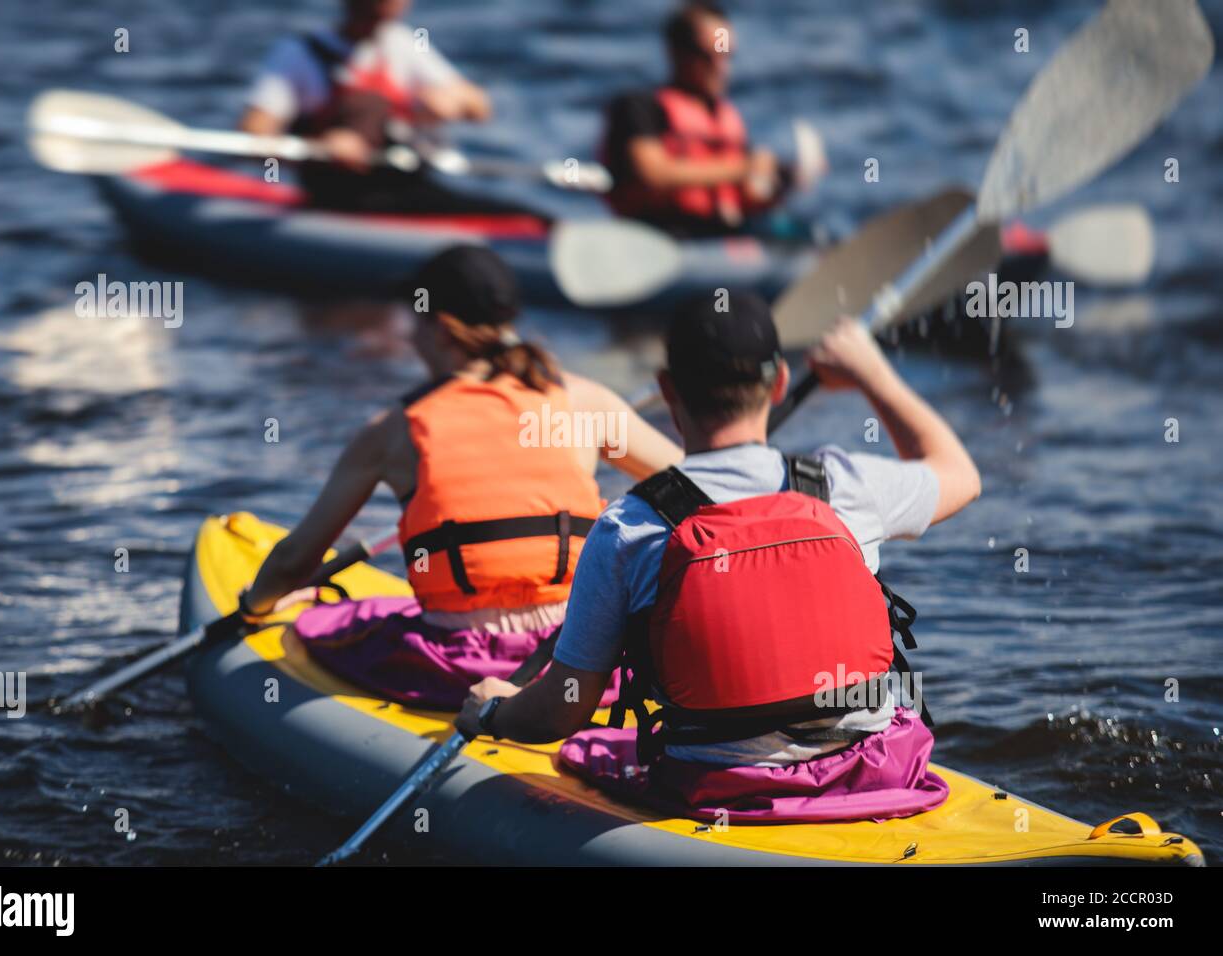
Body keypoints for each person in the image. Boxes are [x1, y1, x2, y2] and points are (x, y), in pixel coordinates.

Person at [457, 292, 980, 822]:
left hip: (717, 789)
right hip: (869, 770)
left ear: (667, 390)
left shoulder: (628, 526)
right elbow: (960, 474)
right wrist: (874, 375)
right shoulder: (844, 484)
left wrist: (494, 711)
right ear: (778, 384)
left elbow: (559, 712)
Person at [238, 246, 682, 709]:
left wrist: (254, 607)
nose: (411, 339)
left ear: (443, 329)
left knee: (323, 625)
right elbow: (701, 488)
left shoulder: (394, 430)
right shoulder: (584, 401)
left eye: (417, 323)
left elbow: (294, 560)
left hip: (456, 665)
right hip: (580, 660)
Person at [240, 0, 538, 217]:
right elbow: (254, 135)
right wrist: (319, 147)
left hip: (406, 188)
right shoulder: (298, 54)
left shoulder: (402, 43)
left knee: (522, 215)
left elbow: (480, 107)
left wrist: (453, 100)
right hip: (340, 197)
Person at [599, 3, 828, 237]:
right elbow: (653, 174)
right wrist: (746, 168)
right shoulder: (639, 107)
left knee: (807, 233)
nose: (720, 68)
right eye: (708, 56)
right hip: (659, 236)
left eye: (726, 56)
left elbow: (747, 198)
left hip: (722, 240)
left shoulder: (727, 118)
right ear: (676, 52)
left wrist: (785, 180)